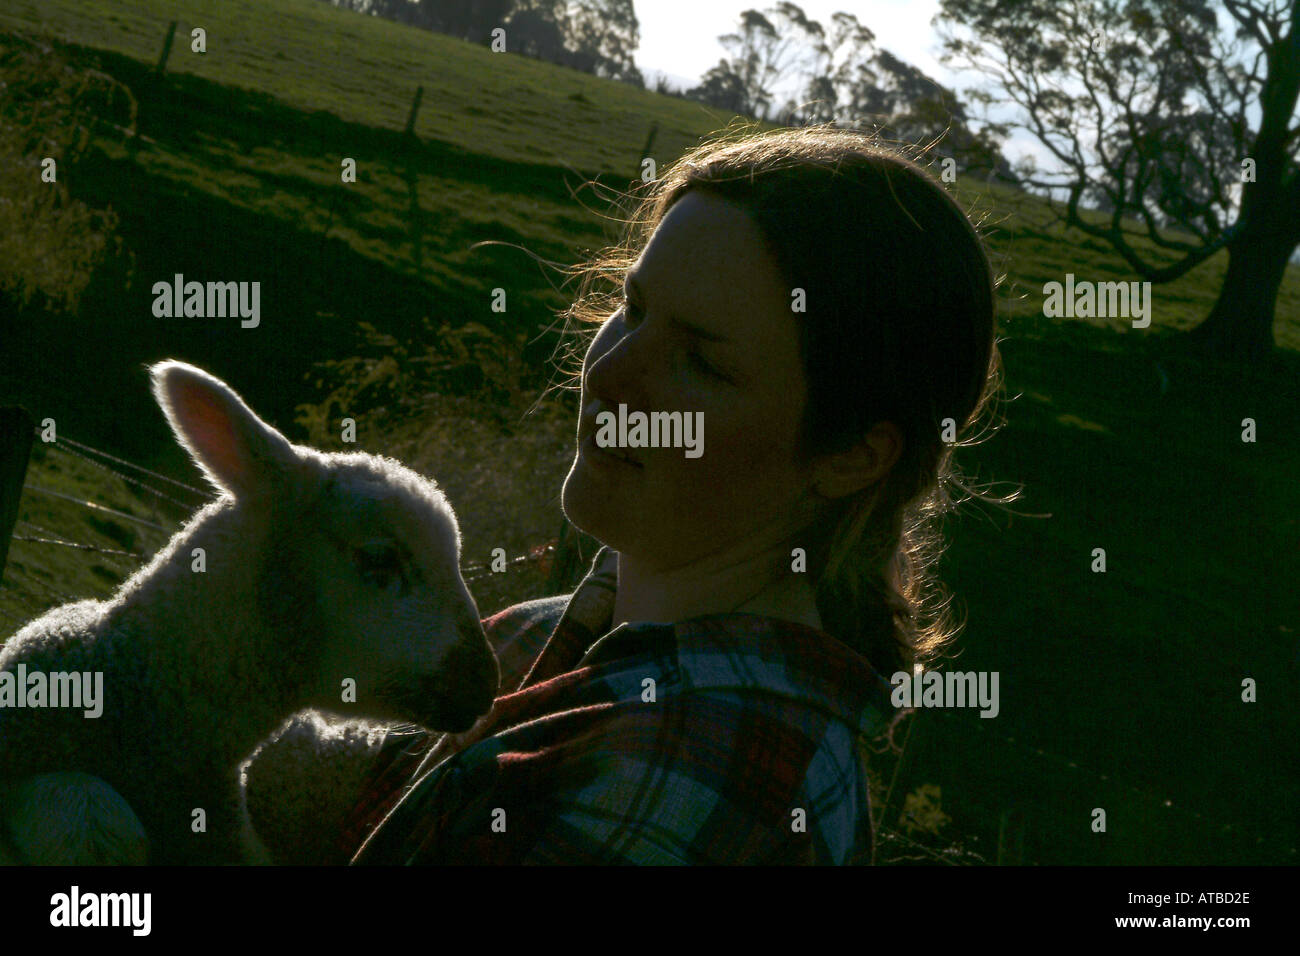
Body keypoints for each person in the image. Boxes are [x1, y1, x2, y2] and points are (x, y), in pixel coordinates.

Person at [343, 124, 1006, 865]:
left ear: (851, 455)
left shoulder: (689, 774)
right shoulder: (534, 635)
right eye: (632, 308)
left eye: (703, 364)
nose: (612, 374)